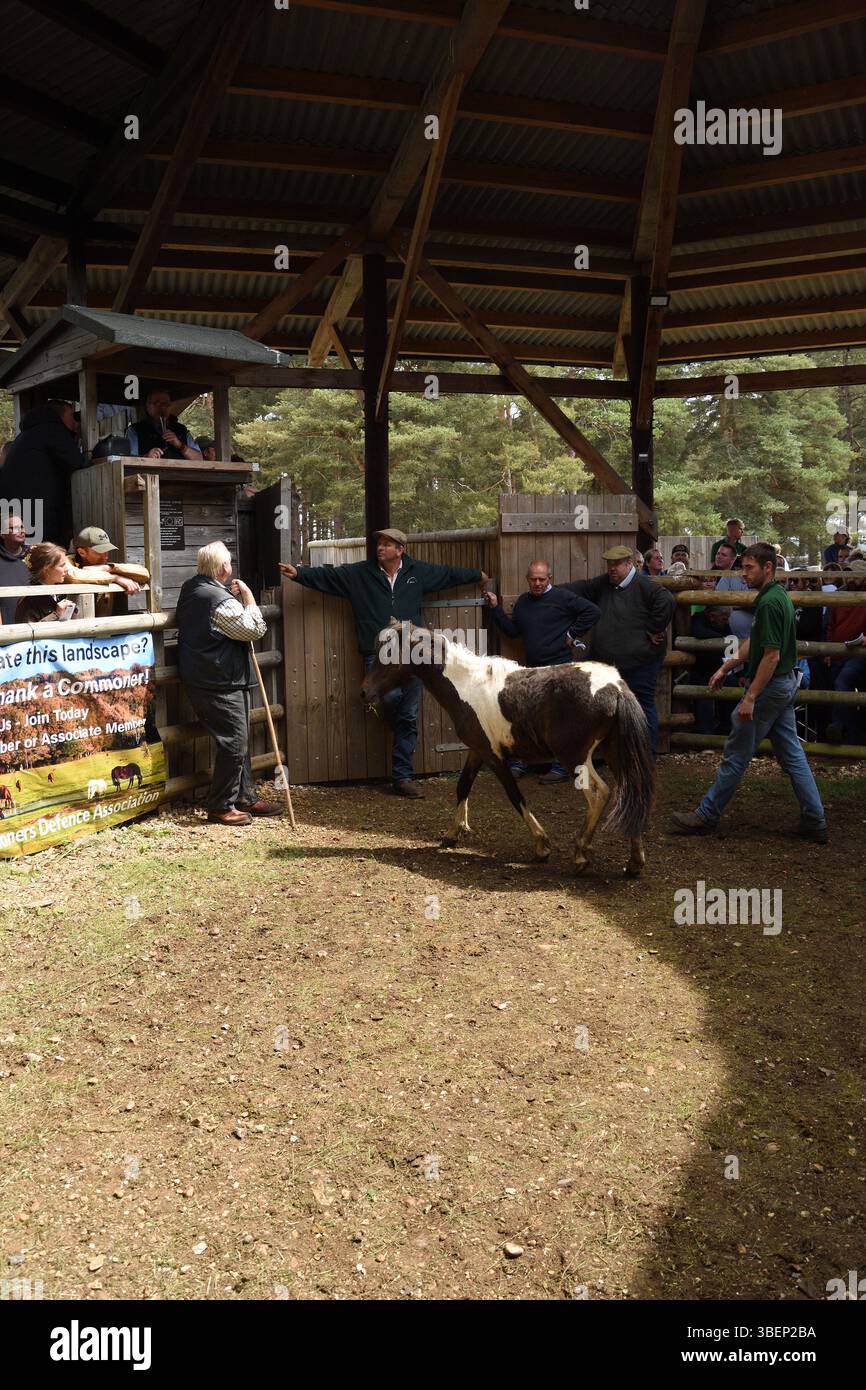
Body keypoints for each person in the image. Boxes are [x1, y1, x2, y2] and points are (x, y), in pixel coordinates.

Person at [279, 528, 489, 797]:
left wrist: (478, 575)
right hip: (379, 656)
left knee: (409, 716)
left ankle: (402, 777)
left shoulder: (417, 572)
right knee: (390, 702)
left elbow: (448, 574)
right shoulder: (360, 574)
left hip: (413, 657)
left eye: (387, 544)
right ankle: (391, 722)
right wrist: (299, 574)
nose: (380, 548)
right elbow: (329, 576)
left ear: (400, 550)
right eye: (379, 544)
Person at [669, 542, 827, 843]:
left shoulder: (769, 602)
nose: (743, 574)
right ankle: (815, 820)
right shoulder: (775, 596)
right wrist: (726, 668)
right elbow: (754, 641)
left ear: (768, 568)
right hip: (783, 684)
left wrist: (751, 696)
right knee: (792, 754)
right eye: (742, 567)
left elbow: (770, 656)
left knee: (736, 752)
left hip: (771, 685)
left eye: (749, 568)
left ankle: (707, 814)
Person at [176, 541, 282, 826]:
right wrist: (248, 598)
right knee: (234, 743)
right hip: (218, 680)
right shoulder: (217, 600)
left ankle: (244, 796)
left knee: (239, 740)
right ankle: (221, 805)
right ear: (224, 567)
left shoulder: (193, 588)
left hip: (213, 675)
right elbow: (254, 629)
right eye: (229, 562)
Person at [484, 560, 600, 782]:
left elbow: (593, 611)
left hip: (559, 668)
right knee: (527, 715)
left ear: (550, 579)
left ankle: (560, 767)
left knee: (560, 719)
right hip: (533, 669)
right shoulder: (523, 603)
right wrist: (496, 609)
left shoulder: (563, 597)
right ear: (527, 579)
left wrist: (572, 634)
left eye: (542, 579)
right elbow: (512, 631)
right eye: (533, 579)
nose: (537, 583)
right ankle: (521, 763)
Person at [563, 544, 676, 757]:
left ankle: (647, 756)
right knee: (610, 710)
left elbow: (667, 601)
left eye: (617, 564)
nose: (612, 569)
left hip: (641, 662)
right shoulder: (605, 583)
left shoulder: (645, 585)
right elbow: (582, 587)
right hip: (610, 663)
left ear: (629, 564)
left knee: (642, 707)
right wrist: (551, 590)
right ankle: (617, 755)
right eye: (609, 564)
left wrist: (654, 628)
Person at [0, 399, 88, 545]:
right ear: (60, 416)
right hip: (36, 510)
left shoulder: (28, 435)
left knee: (17, 553)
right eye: (71, 415)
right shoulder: (52, 430)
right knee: (41, 556)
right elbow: (76, 462)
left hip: (16, 507)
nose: (75, 421)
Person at [824, 559, 866, 746]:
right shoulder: (838, 596)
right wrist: (828, 650)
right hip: (838, 651)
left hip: (859, 652)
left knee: (843, 682)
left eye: (855, 574)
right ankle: (850, 737)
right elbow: (830, 625)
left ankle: (838, 726)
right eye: (848, 573)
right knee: (839, 687)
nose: (851, 578)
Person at [126, 388, 202, 461]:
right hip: (149, 473)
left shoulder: (181, 429)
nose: (162, 407)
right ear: (148, 406)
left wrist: (180, 445)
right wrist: (146, 457)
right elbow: (127, 459)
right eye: (157, 403)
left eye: (165, 404)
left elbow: (199, 459)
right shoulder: (135, 429)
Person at [15, 542, 77, 624]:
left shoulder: (62, 592)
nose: (66, 569)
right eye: (62, 566)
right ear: (46, 569)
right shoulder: (28, 599)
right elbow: (26, 632)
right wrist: (56, 614)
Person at [0, 513, 31, 624]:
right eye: (14, 528)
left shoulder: (34, 555)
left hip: (36, 626)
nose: (21, 531)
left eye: (22, 527)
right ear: (2, 534)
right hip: (7, 629)